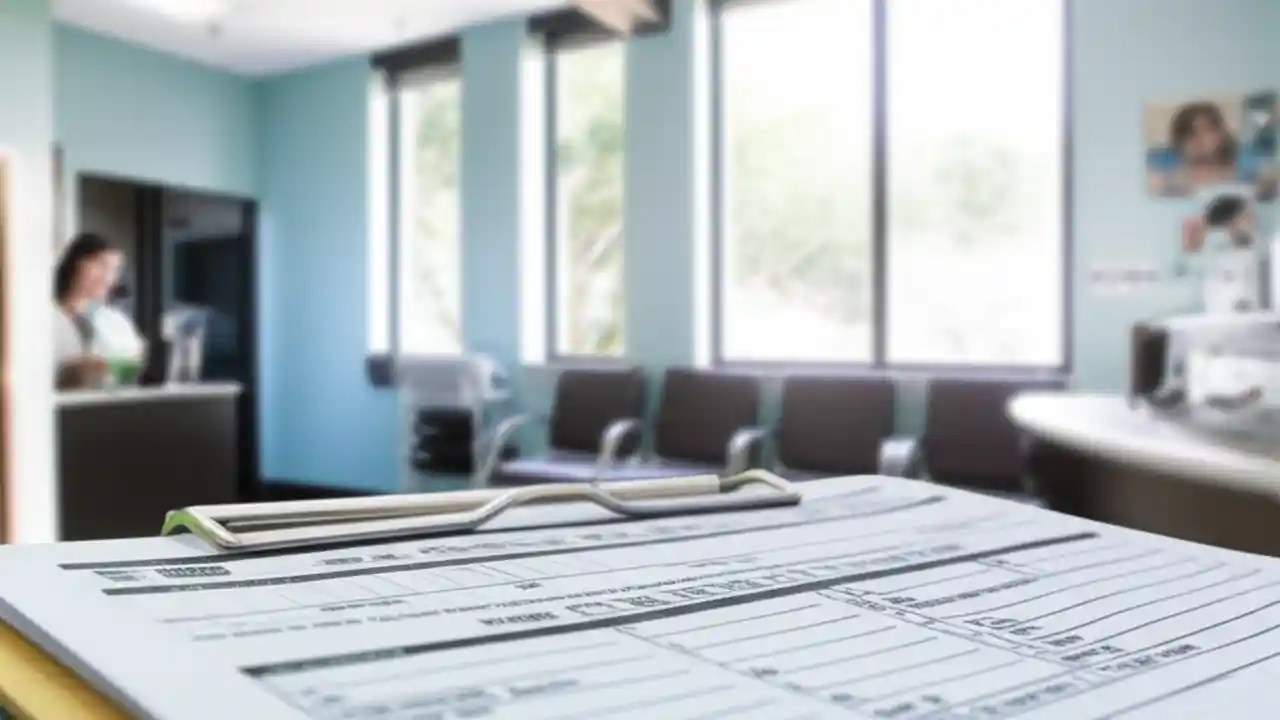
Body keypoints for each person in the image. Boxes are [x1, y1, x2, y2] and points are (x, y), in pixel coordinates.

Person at [53, 233, 145, 389]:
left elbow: (133, 368)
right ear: (76, 263)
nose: (108, 277)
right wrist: (71, 373)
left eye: (114, 269)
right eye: (101, 265)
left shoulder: (115, 321)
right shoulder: (43, 317)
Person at [1170, 102, 1239, 191]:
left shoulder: (1235, 175)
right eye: (1191, 133)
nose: (1200, 138)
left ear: (1220, 134)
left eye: (1207, 130)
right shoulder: (1175, 180)